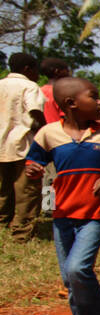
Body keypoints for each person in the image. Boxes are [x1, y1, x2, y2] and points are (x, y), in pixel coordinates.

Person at [25, 78, 100, 315]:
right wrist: (32, 170)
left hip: (96, 212)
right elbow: (33, 164)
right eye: (93, 97)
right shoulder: (48, 134)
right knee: (69, 279)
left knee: (77, 268)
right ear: (71, 104)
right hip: (62, 213)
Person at [0, 52, 46, 242]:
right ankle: (22, 232)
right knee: (26, 190)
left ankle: (2, 223)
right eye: (36, 70)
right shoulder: (29, 86)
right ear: (27, 69)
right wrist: (45, 131)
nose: (37, 75)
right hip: (22, 144)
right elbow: (35, 111)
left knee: (3, 190)